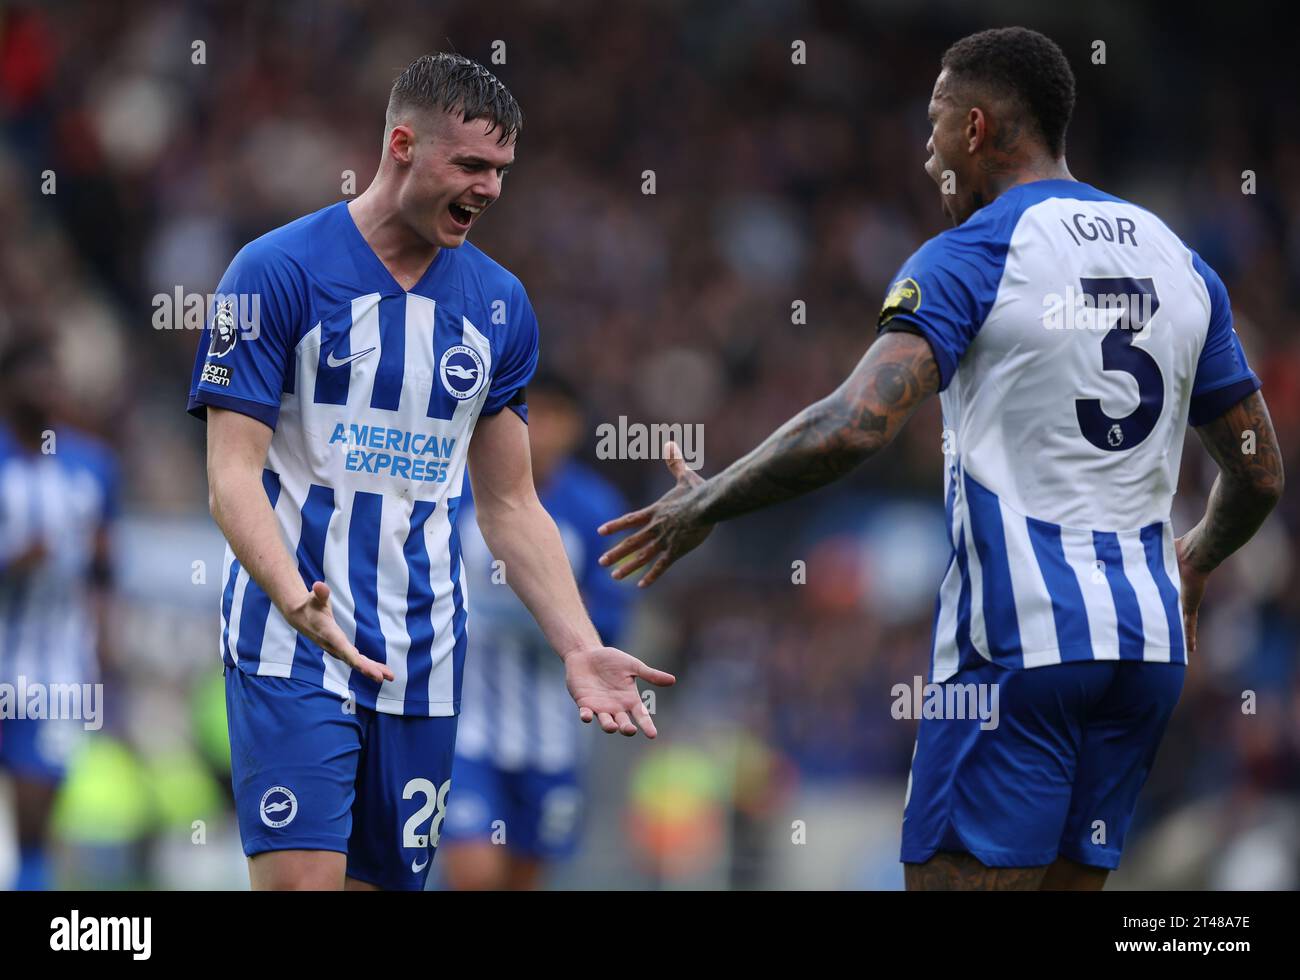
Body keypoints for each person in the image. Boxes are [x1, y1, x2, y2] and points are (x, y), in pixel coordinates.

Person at [597, 26, 1284, 891]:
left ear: (976, 129)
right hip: (1144, 656)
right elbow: (1258, 471)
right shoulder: (1182, 263)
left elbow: (856, 423)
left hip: (1019, 649)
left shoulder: (976, 253)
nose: (925, 152)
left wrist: (708, 501)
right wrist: (1192, 564)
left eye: (934, 123)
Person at [187, 53, 673, 892]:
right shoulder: (272, 273)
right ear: (402, 145)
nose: (488, 189)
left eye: (501, 172)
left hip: (424, 658)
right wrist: (293, 593)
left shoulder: (498, 306)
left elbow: (512, 504)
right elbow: (232, 476)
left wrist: (581, 646)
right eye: (472, 165)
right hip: (291, 645)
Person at [440, 373, 634, 889]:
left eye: (553, 416)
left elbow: (610, 619)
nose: (538, 431)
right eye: (530, 414)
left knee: (522, 879)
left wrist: (540, 616)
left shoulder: (594, 508)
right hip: (466, 727)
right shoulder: (456, 487)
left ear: (574, 426)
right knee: (474, 873)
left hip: (551, 734)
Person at [0, 335, 118, 890]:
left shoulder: (92, 466)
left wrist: (103, 638)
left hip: (55, 673)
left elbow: (104, 568)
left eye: (52, 379)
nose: (46, 390)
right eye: (33, 378)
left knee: (34, 814)